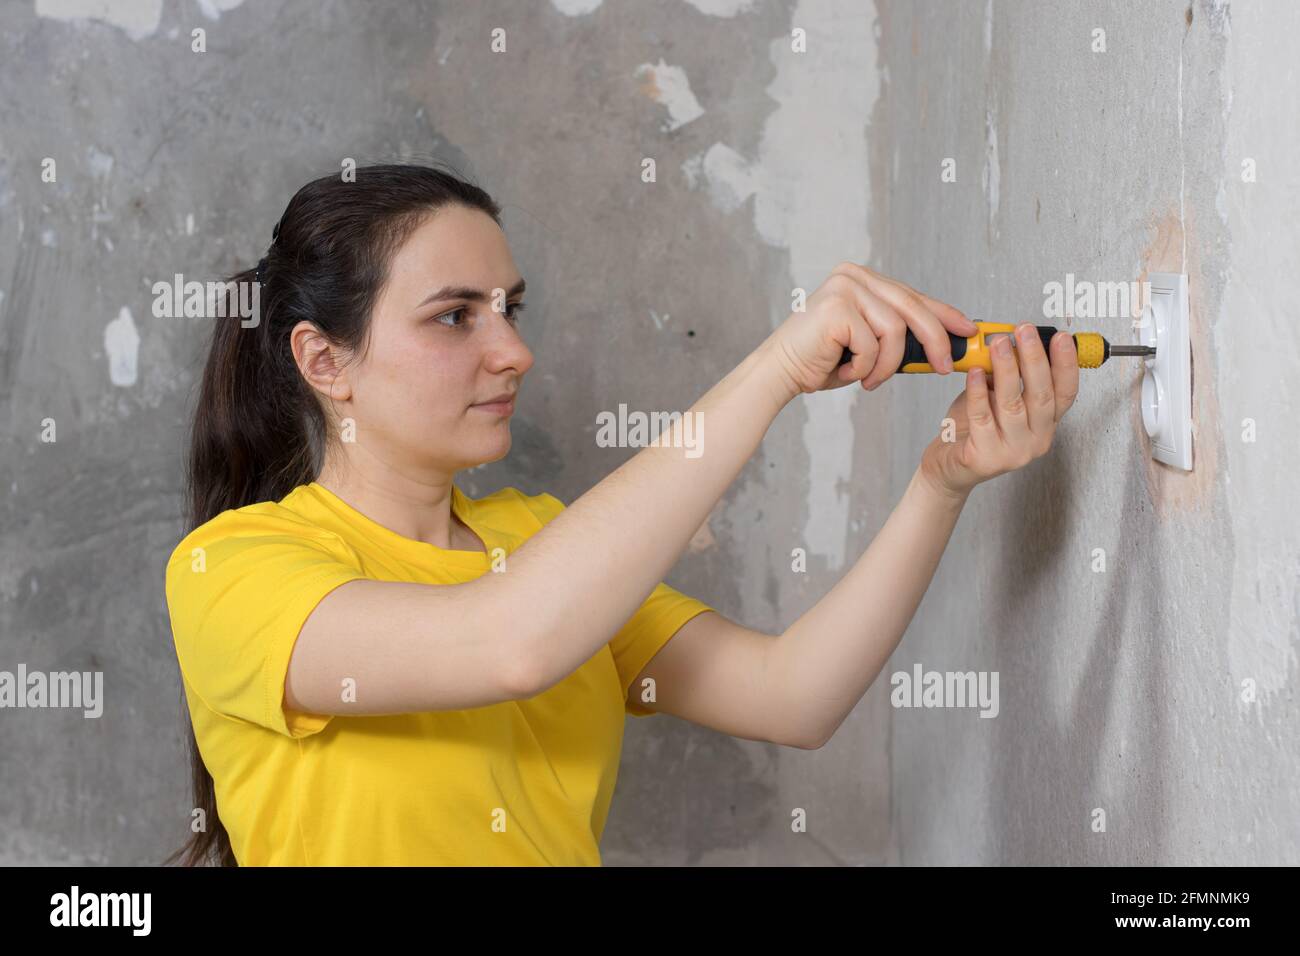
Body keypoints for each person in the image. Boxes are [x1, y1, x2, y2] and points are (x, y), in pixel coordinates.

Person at [163, 162, 1079, 866]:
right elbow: (511, 644)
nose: (513, 350)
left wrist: (942, 480)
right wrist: (776, 371)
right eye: (454, 317)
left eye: (510, 308)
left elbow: (794, 694)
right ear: (325, 362)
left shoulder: (539, 540)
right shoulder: (233, 569)